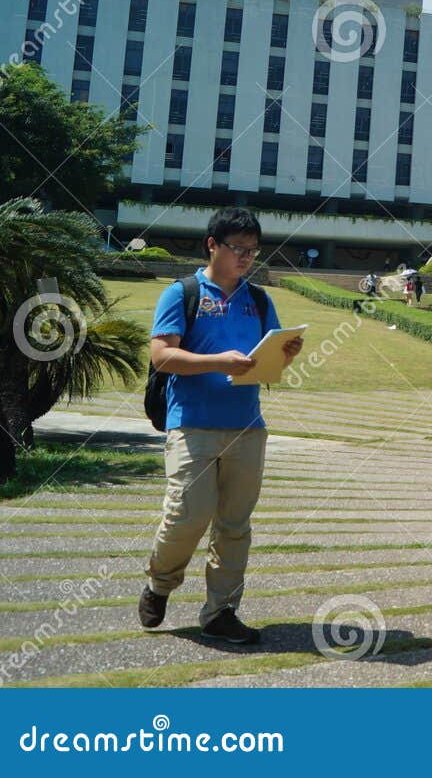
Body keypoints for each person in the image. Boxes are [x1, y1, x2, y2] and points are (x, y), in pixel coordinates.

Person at [141, 207, 302, 644]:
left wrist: (284, 355)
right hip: (191, 424)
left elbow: (265, 360)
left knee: (235, 525)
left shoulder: (259, 299)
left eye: (253, 250)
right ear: (212, 245)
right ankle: (159, 584)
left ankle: (221, 612)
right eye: (238, 248)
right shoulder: (182, 293)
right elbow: (162, 356)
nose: (247, 257)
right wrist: (219, 360)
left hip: (247, 427)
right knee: (186, 516)